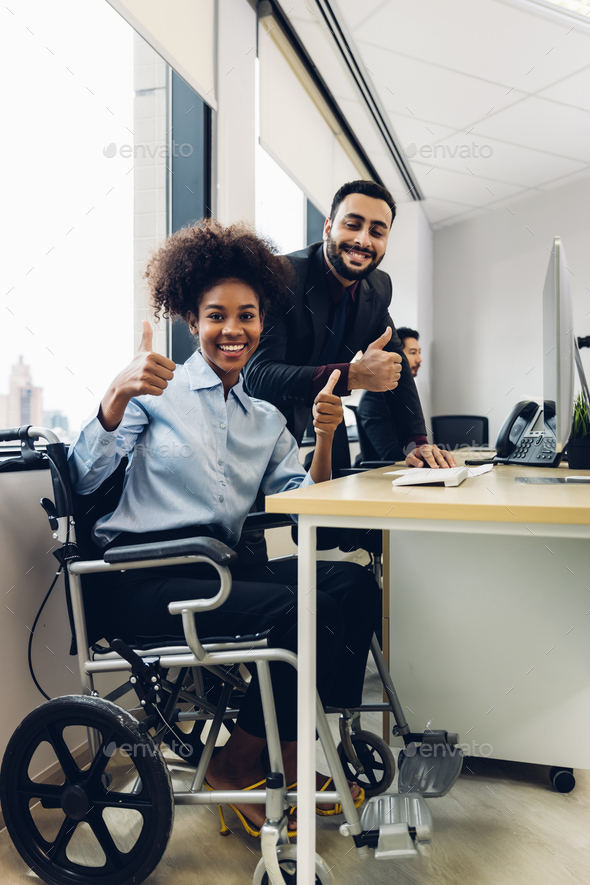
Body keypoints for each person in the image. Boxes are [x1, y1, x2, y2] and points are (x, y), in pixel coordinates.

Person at [67, 220, 379, 836]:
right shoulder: (155, 391)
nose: (232, 330)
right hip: (144, 580)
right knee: (303, 608)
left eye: (247, 316)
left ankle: (289, 746)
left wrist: (322, 438)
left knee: (351, 585)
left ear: (263, 323)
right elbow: (80, 478)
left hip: (221, 574)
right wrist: (115, 395)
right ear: (192, 321)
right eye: (216, 316)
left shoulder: (263, 418)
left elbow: (305, 501)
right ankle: (241, 761)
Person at [243, 180, 455, 471]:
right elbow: (259, 376)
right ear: (328, 227)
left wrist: (416, 445)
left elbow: (398, 368)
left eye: (377, 232)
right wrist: (353, 376)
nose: (364, 241)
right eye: (353, 225)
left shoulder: (377, 288)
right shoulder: (282, 276)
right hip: (239, 431)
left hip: (294, 436)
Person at [356, 327, 428, 462]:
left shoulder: (406, 398)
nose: (420, 359)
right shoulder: (373, 398)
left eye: (419, 352)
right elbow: (390, 454)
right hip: (378, 475)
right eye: (413, 353)